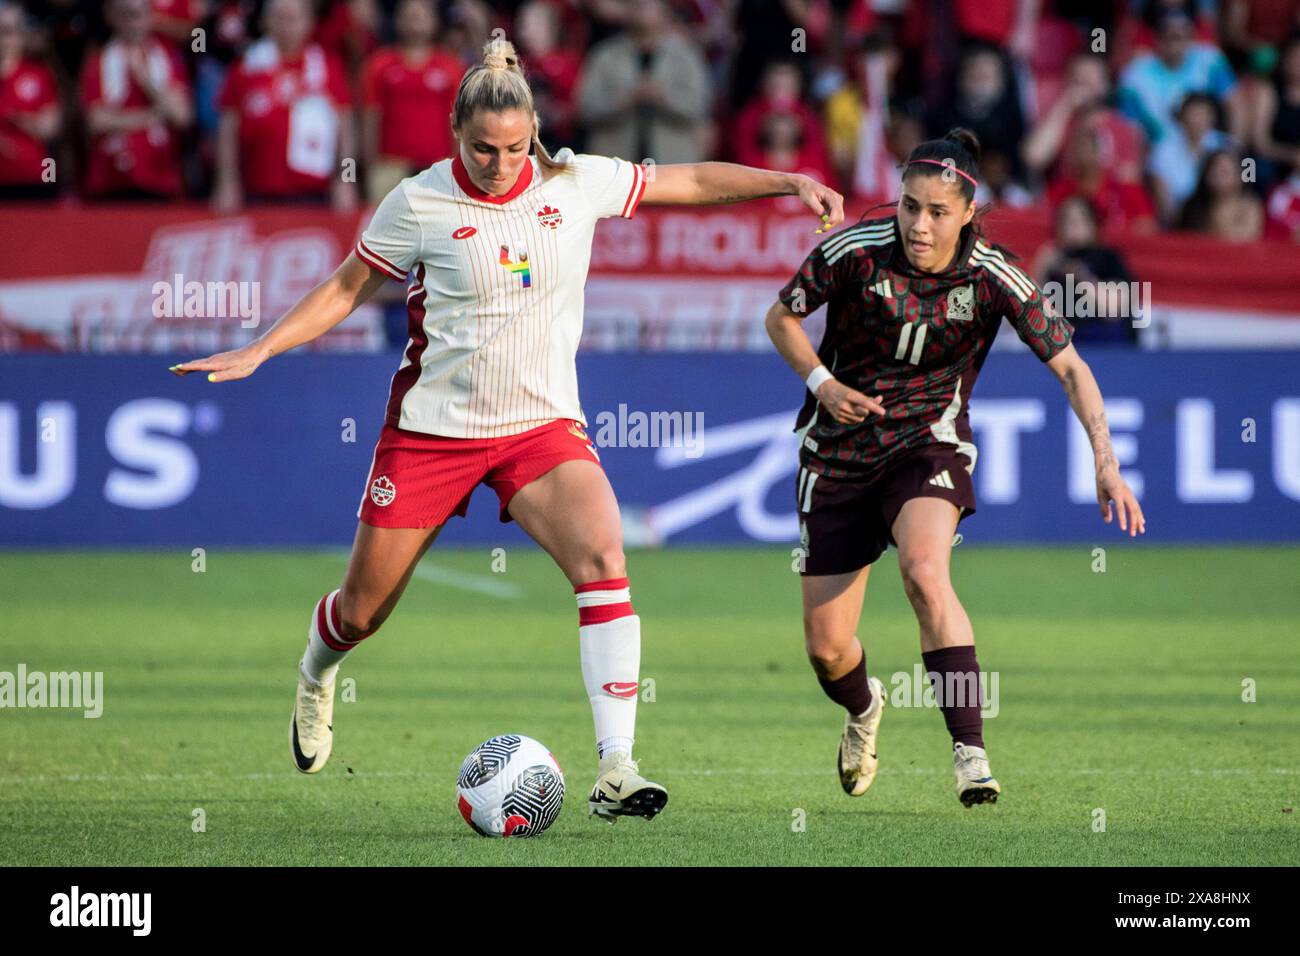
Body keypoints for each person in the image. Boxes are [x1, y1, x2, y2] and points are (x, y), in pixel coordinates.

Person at [169, 37, 845, 825]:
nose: (500, 164)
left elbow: (688, 179)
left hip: (541, 428)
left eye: (516, 148)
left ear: (536, 135)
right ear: (457, 136)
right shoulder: (419, 202)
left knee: (603, 555)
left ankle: (617, 767)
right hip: (432, 432)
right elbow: (348, 286)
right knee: (361, 611)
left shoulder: (576, 181)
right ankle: (317, 673)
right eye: (483, 149)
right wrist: (263, 346)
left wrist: (789, 181)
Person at [763, 128, 1145, 808]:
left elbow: (1072, 368)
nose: (918, 224)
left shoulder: (996, 274)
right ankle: (863, 707)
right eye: (911, 206)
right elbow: (780, 318)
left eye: (937, 212)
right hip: (839, 451)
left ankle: (970, 753)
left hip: (927, 443)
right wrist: (823, 383)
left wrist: (1107, 463)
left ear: (969, 212)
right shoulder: (855, 249)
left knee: (924, 571)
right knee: (827, 649)